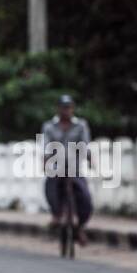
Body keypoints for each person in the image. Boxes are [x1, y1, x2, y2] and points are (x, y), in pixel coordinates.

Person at [42, 94, 93, 244]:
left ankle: (80, 227)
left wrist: (90, 159)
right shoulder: (49, 126)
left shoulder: (81, 125)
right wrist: (45, 161)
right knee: (50, 187)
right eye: (63, 107)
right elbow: (46, 146)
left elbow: (85, 145)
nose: (66, 111)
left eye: (68, 107)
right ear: (58, 109)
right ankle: (56, 215)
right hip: (57, 167)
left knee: (85, 197)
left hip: (74, 167)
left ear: (73, 108)